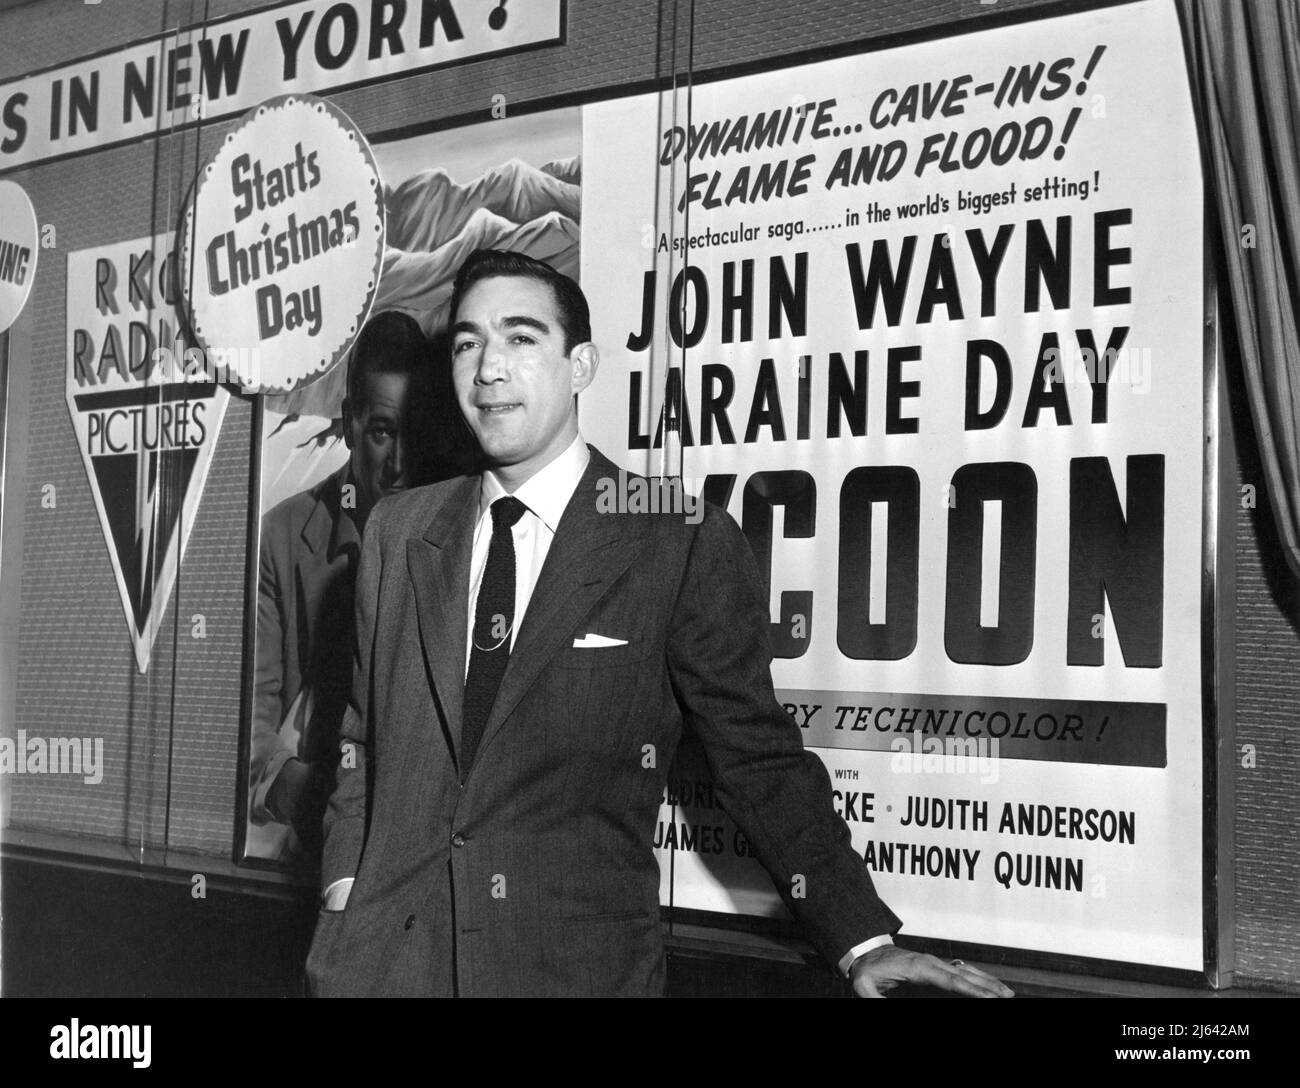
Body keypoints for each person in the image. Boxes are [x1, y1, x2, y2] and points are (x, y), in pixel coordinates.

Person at [305, 250, 1013, 998]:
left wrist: (861, 938)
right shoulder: (398, 530)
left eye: (521, 338)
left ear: (581, 365)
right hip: (382, 971)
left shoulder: (674, 536)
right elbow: (362, 737)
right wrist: (343, 886)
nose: (489, 368)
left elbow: (757, 759)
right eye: (468, 343)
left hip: (569, 976)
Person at [250, 310, 467, 861]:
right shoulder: (280, 536)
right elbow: (246, 727)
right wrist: (306, 793)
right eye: (381, 433)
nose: (398, 463)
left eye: (412, 434)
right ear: (348, 424)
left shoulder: (460, 535)